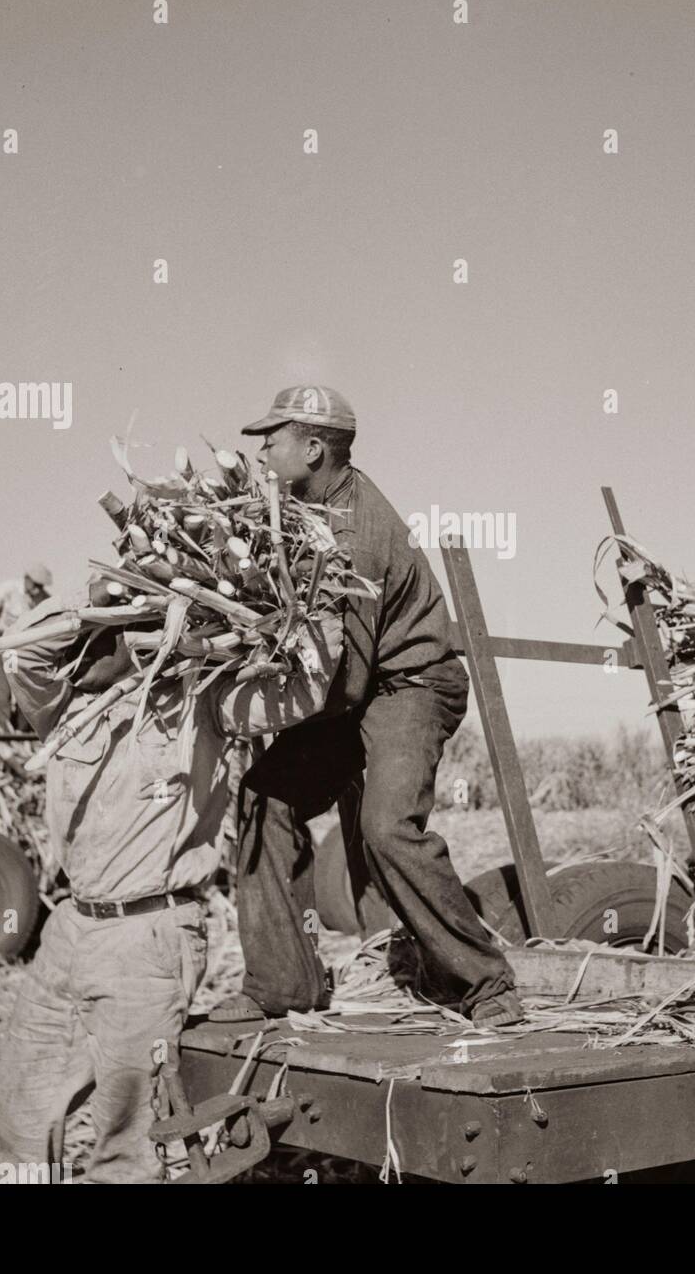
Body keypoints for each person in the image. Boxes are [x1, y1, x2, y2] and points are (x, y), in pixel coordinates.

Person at [0, 584, 342, 1183]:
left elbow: (300, 693)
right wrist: (87, 605)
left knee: (124, 1139)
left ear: (144, 642)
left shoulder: (200, 708)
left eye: (103, 641)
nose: (85, 655)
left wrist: (311, 611)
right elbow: (24, 653)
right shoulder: (63, 712)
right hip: (70, 931)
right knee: (10, 1116)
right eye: (85, 641)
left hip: (150, 937)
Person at [210, 385, 523, 1029]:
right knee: (263, 797)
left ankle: (486, 982)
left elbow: (345, 683)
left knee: (386, 828)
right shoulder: (305, 507)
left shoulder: (356, 535)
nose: (262, 448)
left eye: (275, 437)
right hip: (355, 692)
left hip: (411, 685)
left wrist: (246, 708)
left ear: (314, 448)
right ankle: (281, 986)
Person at [0, 563, 53, 728]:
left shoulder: (41, 598)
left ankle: (20, 731)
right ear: (27, 579)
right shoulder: (7, 590)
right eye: (36, 585)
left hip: (18, 647)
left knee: (21, 688)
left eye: (40, 586)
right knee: (1, 690)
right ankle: (2, 731)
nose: (37, 590)